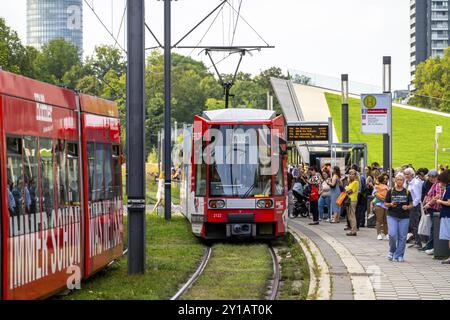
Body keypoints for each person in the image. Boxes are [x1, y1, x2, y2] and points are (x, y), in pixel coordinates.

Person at [385, 173, 414, 262]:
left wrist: (407, 207)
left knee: (402, 237)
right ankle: (392, 250)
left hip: (404, 216)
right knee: (392, 234)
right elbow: (385, 204)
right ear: (395, 180)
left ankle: (399, 255)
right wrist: (390, 204)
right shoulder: (390, 191)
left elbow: (411, 204)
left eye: (401, 180)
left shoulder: (407, 192)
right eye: (397, 179)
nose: (399, 181)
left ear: (403, 181)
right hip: (392, 215)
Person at [420, 170, 442, 255]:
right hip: (431, 209)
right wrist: (425, 203)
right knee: (432, 228)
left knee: (434, 229)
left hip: (435, 209)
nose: (430, 178)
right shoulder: (434, 184)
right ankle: (429, 246)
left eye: (432, 177)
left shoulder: (438, 185)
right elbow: (428, 195)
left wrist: (428, 204)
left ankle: (430, 246)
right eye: (429, 176)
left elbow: (437, 196)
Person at [404, 167, 424, 249]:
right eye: (405, 174)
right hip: (412, 205)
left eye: (407, 174)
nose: (406, 176)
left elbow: (418, 197)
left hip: (415, 206)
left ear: (412, 174)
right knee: (413, 224)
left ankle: (418, 243)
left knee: (415, 224)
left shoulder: (415, 183)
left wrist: (412, 206)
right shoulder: (409, 182)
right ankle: (416, 241)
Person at [435, 170, 450, 264]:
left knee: (449, 237)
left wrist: (440, 201)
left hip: (447, 215)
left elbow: (449, 202)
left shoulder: (448, 188)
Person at [373, 175, 389, 240]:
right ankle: (379, 234)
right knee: (379, 219)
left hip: (386, 204)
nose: (385, 180)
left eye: (386, 179)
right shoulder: (377, 186)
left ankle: (386, 233)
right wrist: (382, 198)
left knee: (385, 220)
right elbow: (375, 194)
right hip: (379, 204)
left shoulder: (387, 187)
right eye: (384, 178)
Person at [345, 169, 359, 236]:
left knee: (352, 216)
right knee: (350, 216)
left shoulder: (355, 182)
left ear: (355, 175)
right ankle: (352, 229)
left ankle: (353, 230)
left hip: (352, 200)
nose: (351, 175)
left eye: (352, 174)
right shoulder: (350, 182)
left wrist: (346, 189)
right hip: (349, 200)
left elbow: (350, 191)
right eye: (350, 174)